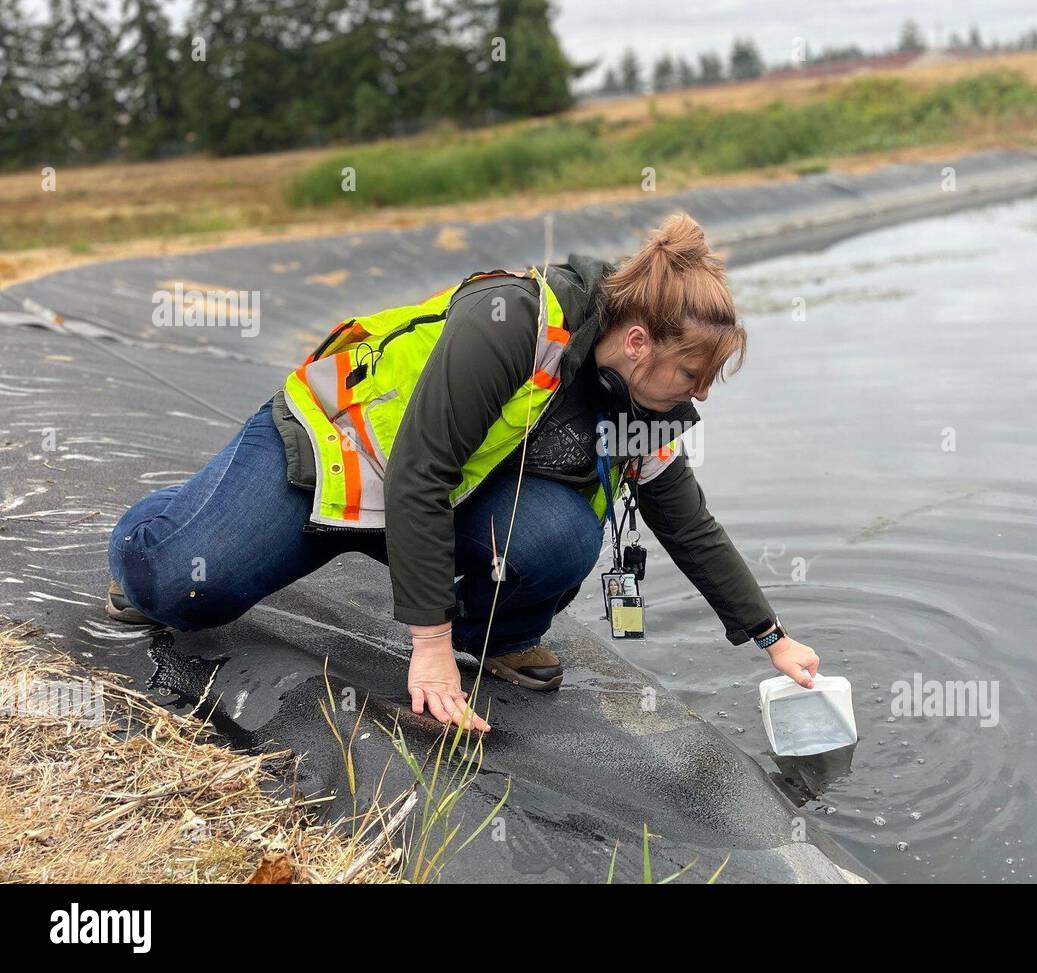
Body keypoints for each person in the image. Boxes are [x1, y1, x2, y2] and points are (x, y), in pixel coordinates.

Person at [106, 212, 821, 733]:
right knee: (178, 584)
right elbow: (420, 469)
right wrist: (428, 650)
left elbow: (686, 520)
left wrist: (772, 637)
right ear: (638, 342)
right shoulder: (516, 319)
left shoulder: (639, 398)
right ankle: (161, 529)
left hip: (441, 505)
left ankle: (496, 637)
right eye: (693, 374)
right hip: (340, 459)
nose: (698, 394)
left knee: (559, 536)